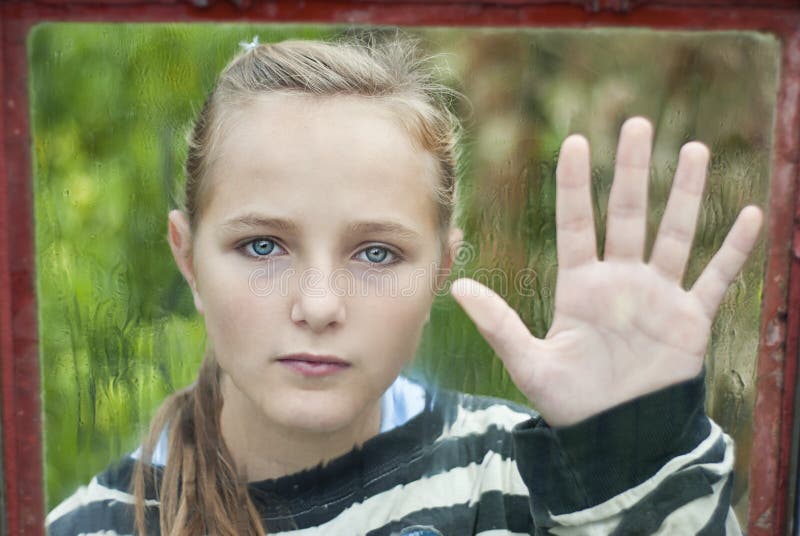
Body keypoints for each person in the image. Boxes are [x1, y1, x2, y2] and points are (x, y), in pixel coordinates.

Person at [45, 34, 762, 535]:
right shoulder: (95, 526)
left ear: (441, 272)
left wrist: (632, 458)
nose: (319, 306)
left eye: (377, 255)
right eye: (262, 245)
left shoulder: (520, 483)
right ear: (188, 258)